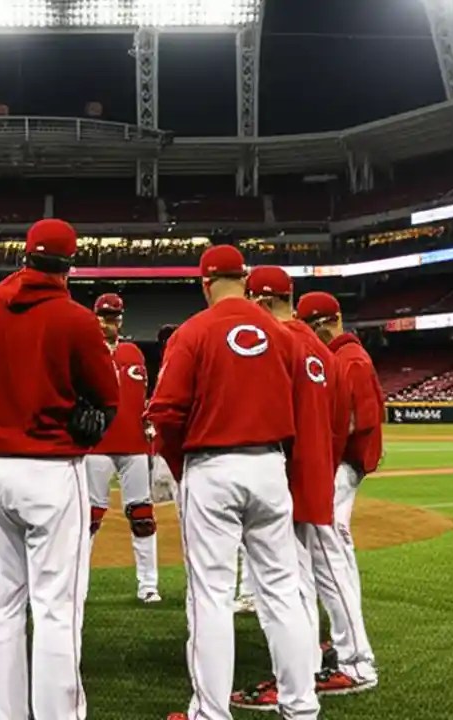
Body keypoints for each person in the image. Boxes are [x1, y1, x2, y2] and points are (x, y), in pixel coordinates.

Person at [0, 218, 120, 720]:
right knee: (55, 607)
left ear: (24, 256)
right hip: (50, 468)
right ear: (69, 265)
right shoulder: (76, 320)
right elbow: (107, 399)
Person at [148, 246, 320, 720]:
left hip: (212, 466)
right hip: (270, 466)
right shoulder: (283, 334)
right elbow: (305, 408)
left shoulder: (192, 332)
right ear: (245, 280)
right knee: (282, 592)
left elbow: (166, 413)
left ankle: (210, 712)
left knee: (211, 596)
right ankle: (301, 707)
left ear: (204, 284)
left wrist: (181, 468)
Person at [230, 267, 346, 712]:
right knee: (300, 581)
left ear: (259, 300)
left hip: (285, 475)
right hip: (316, 472)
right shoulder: (319, 348)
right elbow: (339, 418)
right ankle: (306, 673)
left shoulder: (276, 343)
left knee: (285, 587)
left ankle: (295, 683)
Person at [296, 291, 384, 696]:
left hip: (342, 468)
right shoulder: (344, 356)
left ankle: (355, 660)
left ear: (323, 324)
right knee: (335, 555)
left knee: (329, 555)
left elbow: (353, 422)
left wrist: (321, 462)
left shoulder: (350, 359)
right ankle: (345, 645)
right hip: (341, 467)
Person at [86, 292, 161, 604]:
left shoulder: (133, 352)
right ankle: (77, 583)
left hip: (134, 444)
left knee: (142, 515)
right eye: (104, 316)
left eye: (114, 317)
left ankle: (148, 585)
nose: (109, 322)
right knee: (90, 517)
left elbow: (143, 396)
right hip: (97, 445)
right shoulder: (86, 352)